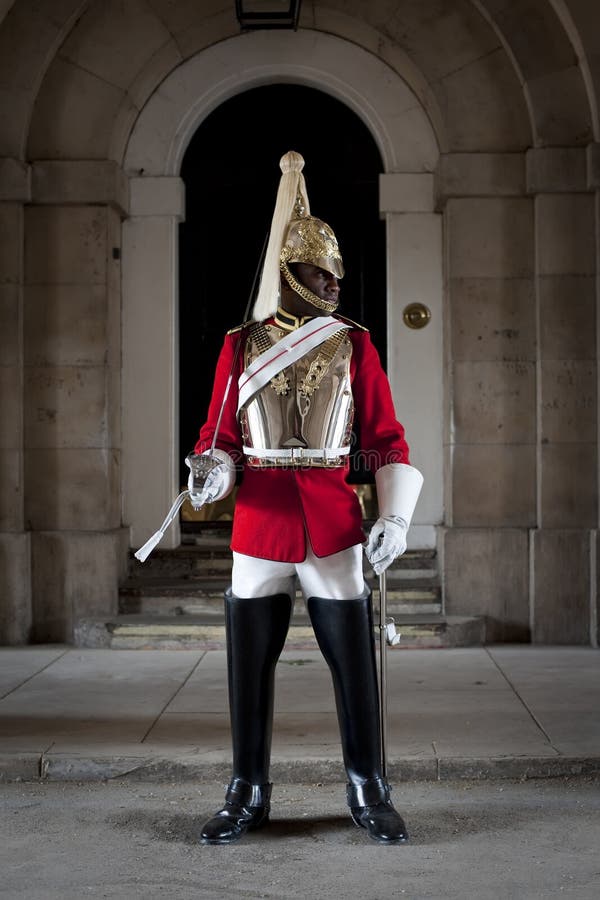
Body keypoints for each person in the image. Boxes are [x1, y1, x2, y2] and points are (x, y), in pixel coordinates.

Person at [188, 151, 423, 845]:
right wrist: (209, 472)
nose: (330, 282)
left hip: (332, 520)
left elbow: (386, 440)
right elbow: (220, 438)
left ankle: (367, 786)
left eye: (334, 272)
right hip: (260, 518)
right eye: (318, 271)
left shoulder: (354, 346)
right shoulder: (240, 345)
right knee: (247, 672)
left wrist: (396, 517)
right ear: (288, 272)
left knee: (353, 667)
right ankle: (247, 789)